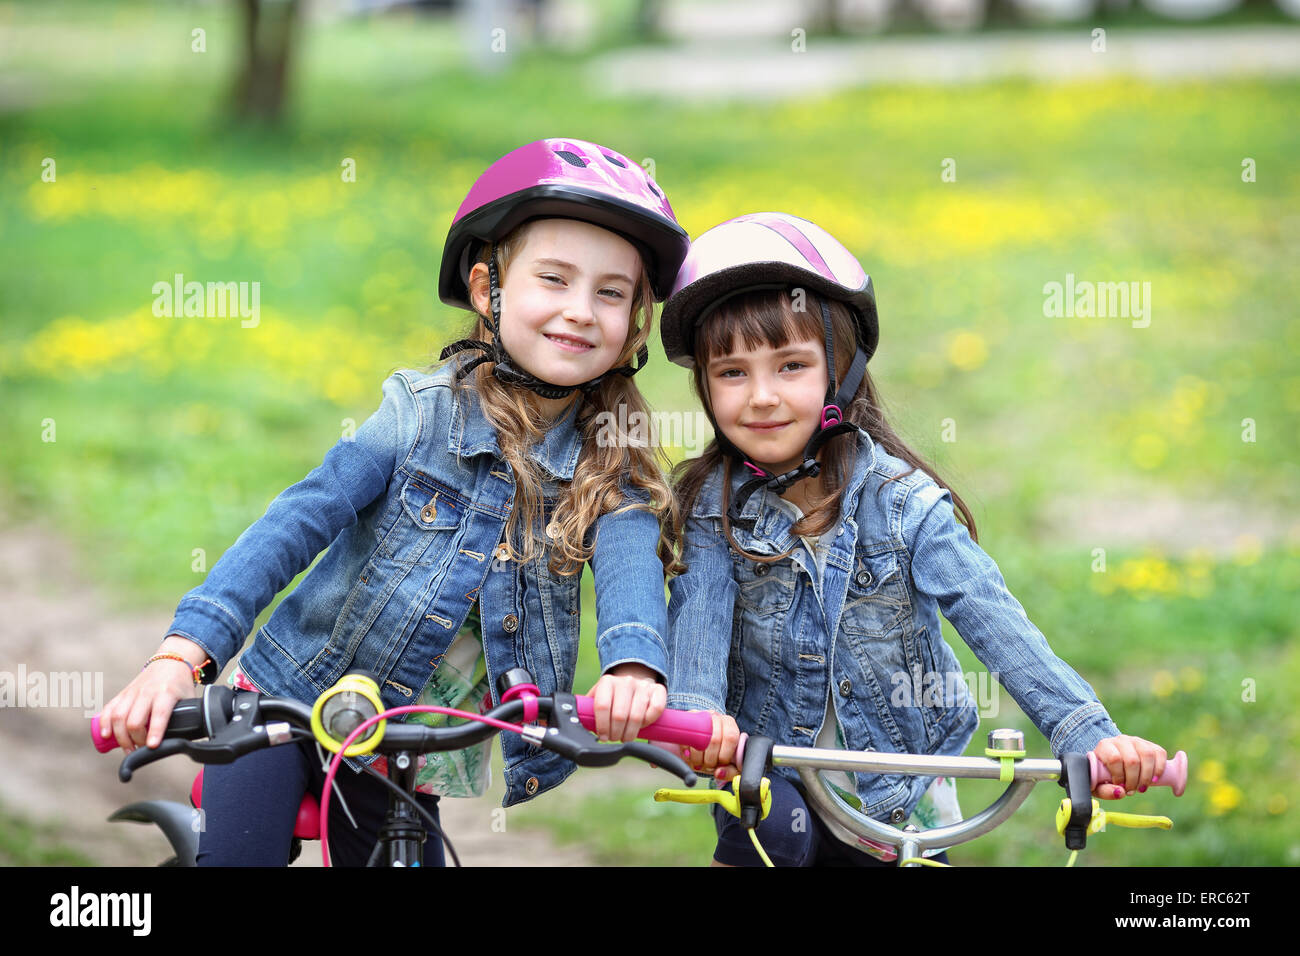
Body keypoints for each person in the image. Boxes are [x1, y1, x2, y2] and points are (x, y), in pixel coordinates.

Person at [96, 138, 691, 866]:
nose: (579, 311)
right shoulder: (419, 415)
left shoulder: (613, 462)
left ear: (634, 320)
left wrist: (633, 668)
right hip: (284, 704)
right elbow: (299, 519)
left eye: (608, 292)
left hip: (407, 738)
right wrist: (182, 659)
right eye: (554, 279)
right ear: (487, 290)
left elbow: (632, 574)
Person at [660, 212, 1167, 867]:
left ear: (839, 371)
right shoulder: (711, 509)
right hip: (769, 775)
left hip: (900, 791)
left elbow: (997, 626)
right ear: (703, 383)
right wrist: (697, 717)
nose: (761, 397)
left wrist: (1090, 737)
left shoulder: (906, 506)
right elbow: (698, 625)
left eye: (790, 365)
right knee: (770, 842)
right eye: (731, 373)